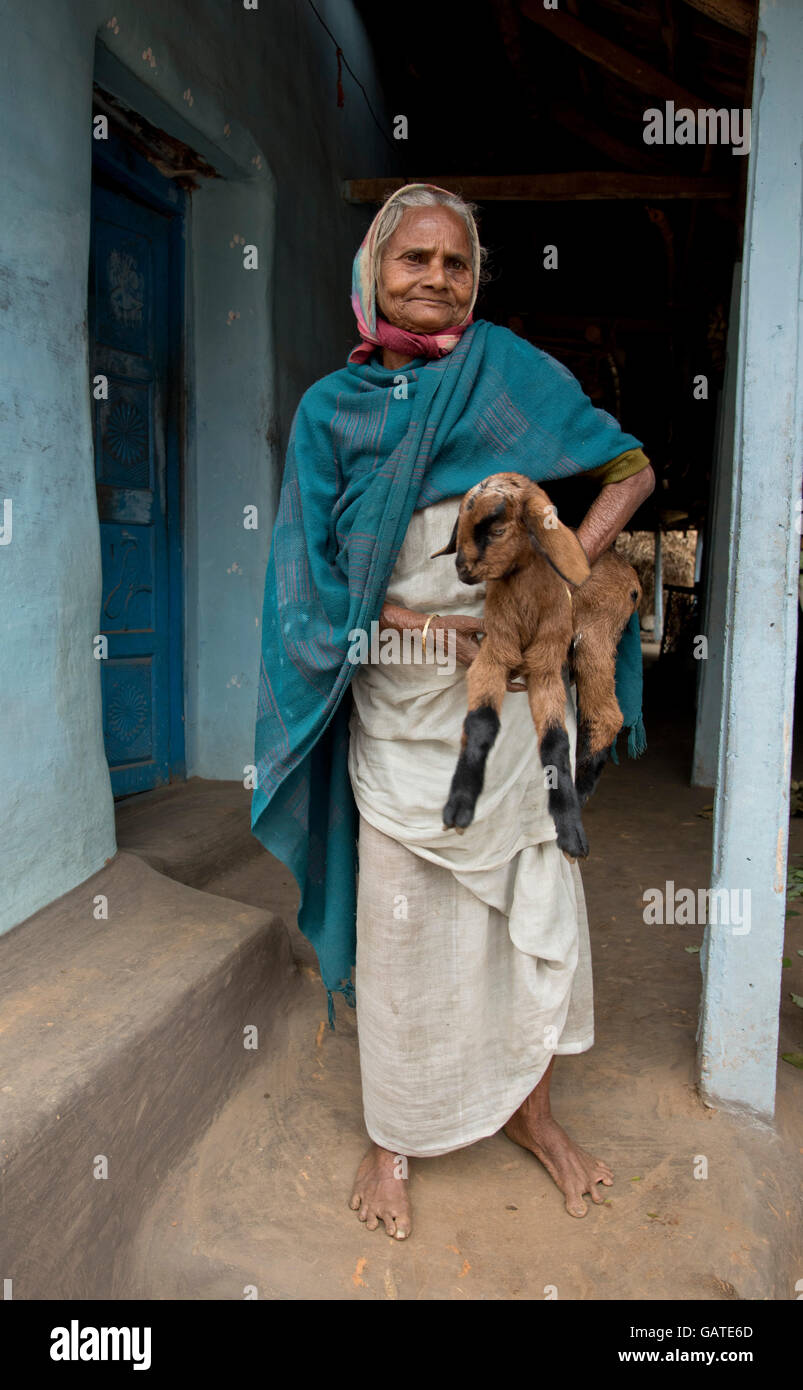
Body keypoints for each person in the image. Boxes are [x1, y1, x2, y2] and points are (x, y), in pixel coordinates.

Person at [252, 184, 654, 1241]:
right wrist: (408, 624)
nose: (434, 278)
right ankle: (395, 1132)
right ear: (370, 274)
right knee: (403, 930)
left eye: (455, 264)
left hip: (518, 714)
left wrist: (568, 572)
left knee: (531, 911)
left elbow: (630, 465)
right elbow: (307, 563)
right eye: (411, 260)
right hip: (397, 706)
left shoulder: (507, 373)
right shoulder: (328, 414)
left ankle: (534, 1115)